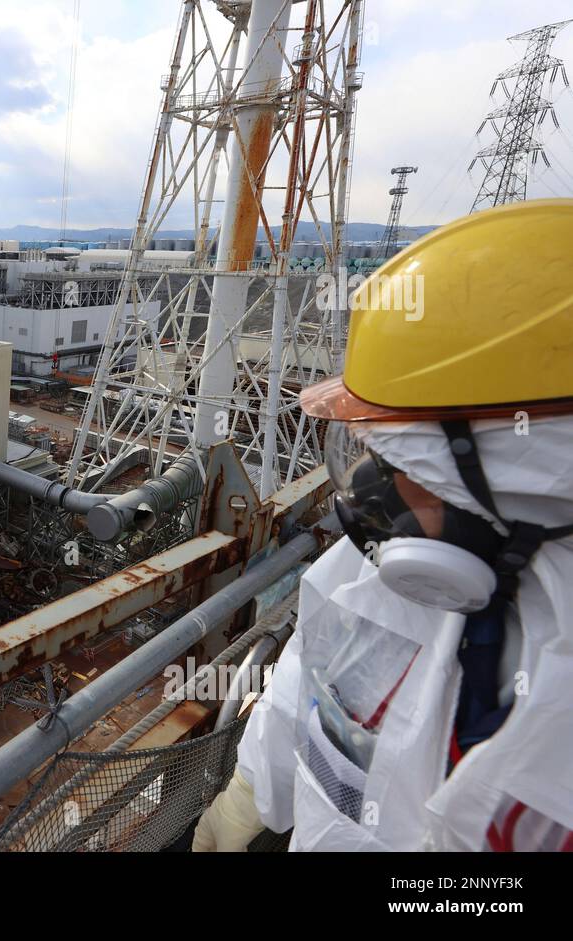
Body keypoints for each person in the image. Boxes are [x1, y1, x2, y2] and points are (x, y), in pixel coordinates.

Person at [193, 199, 573, 852]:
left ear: (510, 473)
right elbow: (309, 683)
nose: (375, 488)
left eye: (398, 460)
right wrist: (251, 789)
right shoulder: (379, 576)